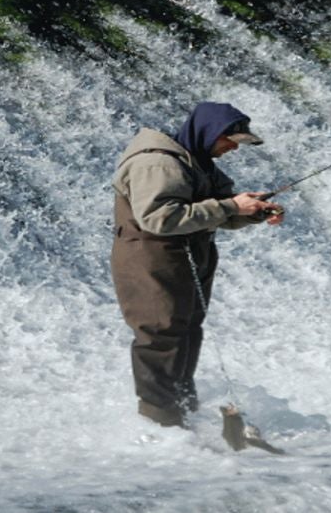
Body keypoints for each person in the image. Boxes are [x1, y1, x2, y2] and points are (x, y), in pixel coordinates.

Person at [110, 102, 284, 428]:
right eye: (231, 140)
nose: (234, 148)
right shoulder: (157, 164)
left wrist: (253, 211)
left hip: (185, 258)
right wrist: (231, 206)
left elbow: (219, 213)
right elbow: (159, 219)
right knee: (160, 335)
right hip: (149, 259)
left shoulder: (198, 161)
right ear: (210, 132)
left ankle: (184, 413)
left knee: (187, 331)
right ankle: (159, 422)